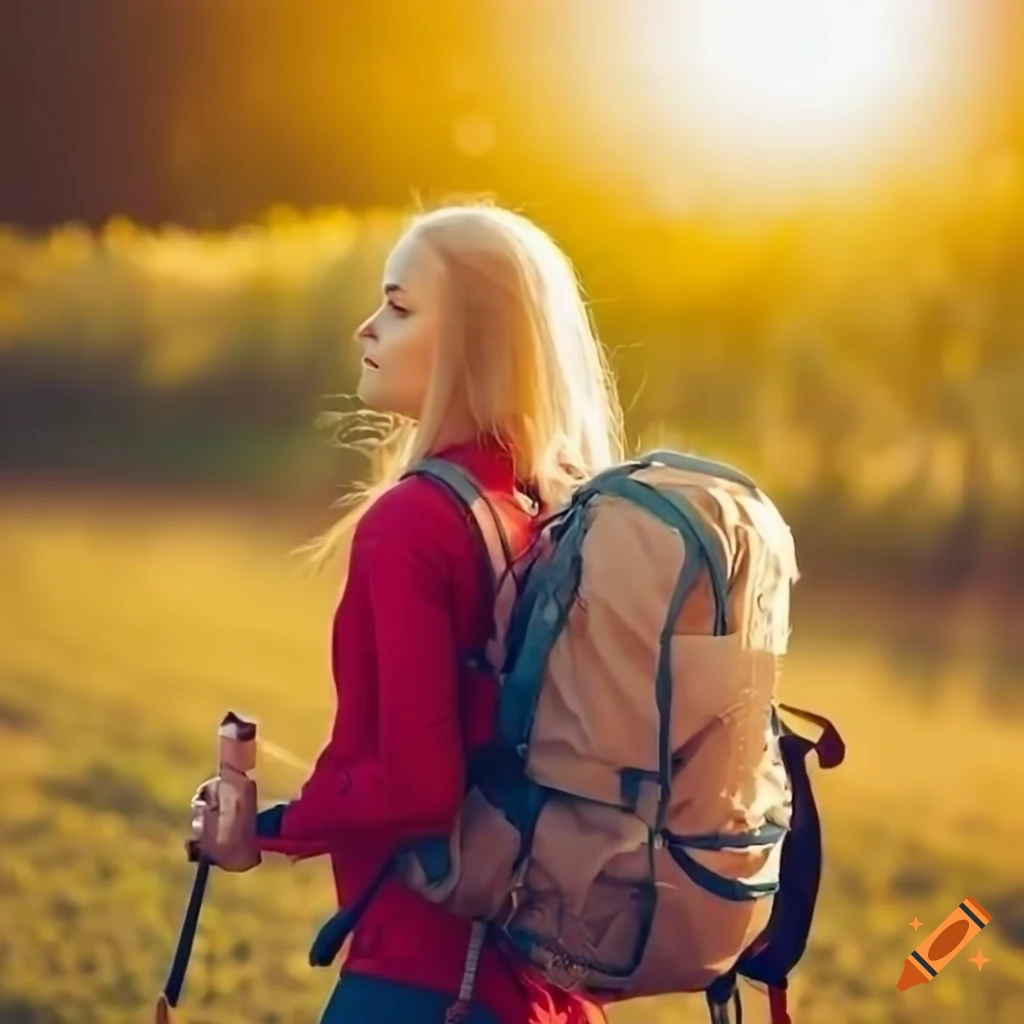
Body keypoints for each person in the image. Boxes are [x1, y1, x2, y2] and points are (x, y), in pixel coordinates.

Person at [190, 203, 624, 1024]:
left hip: (423, 985)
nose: (366, 328)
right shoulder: (551, 510)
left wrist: (267, 830)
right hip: (541, 991)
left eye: (397, 306)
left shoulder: (414, 522)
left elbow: (421, 785)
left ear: (471, 340)